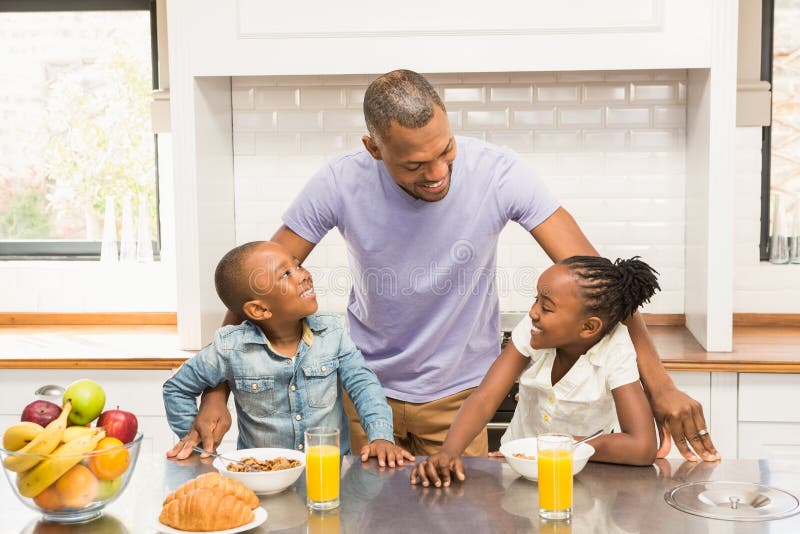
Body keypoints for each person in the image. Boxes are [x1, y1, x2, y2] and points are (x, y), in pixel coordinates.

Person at [174, 69, 719, 464]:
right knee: (368, 521)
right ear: (373, 148)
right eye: (414, 164)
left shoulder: (500, 173)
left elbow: (601, 280)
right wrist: (215, 392)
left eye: (446, 151)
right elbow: (255, 285)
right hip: (366, 391)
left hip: (462, 396)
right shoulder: (338, 182)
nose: (437, 173)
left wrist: (661, 385)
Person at [411, 256, 661, 487]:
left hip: (581, 474)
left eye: (547, 308)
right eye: (536, 300)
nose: (533, 312)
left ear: (588, 327)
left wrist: (558, 449)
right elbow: (484, 398)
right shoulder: (533, 332)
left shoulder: (615, 350)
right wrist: (449, 451)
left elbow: (642, 446)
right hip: (518, 466)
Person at [163, 241, 413, 467]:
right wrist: (195, 443)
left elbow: (364, 385)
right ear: (259, 309)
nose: (303, 275)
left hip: (329, 473)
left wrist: (381, 436)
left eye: (298, 266)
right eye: (286, 274)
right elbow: (177, 388)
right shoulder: (230, 348)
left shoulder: (332, 332)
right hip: (260, 477)